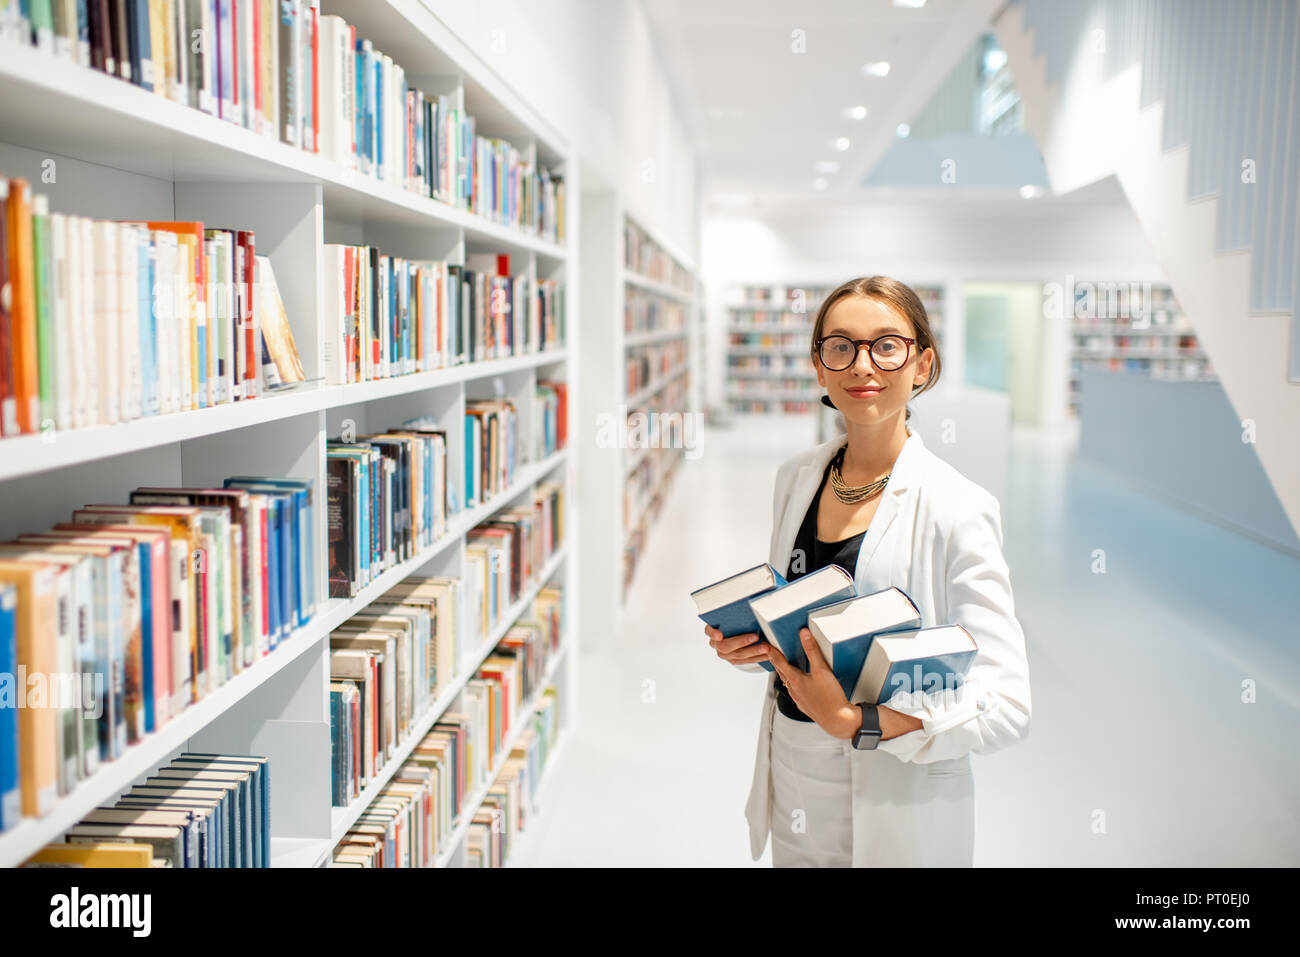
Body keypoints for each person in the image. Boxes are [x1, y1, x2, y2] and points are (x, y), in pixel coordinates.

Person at [705, 276, 1032, 867]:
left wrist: (858, 721)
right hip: (793, 769)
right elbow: (806, 633)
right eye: (841, 346)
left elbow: (1005, 702)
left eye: (886, 344)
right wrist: (759, 647)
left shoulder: (957, 506)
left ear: (922, 363)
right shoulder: (797, 478)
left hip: (894, 788)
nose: (862, 365)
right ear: (819, 365)